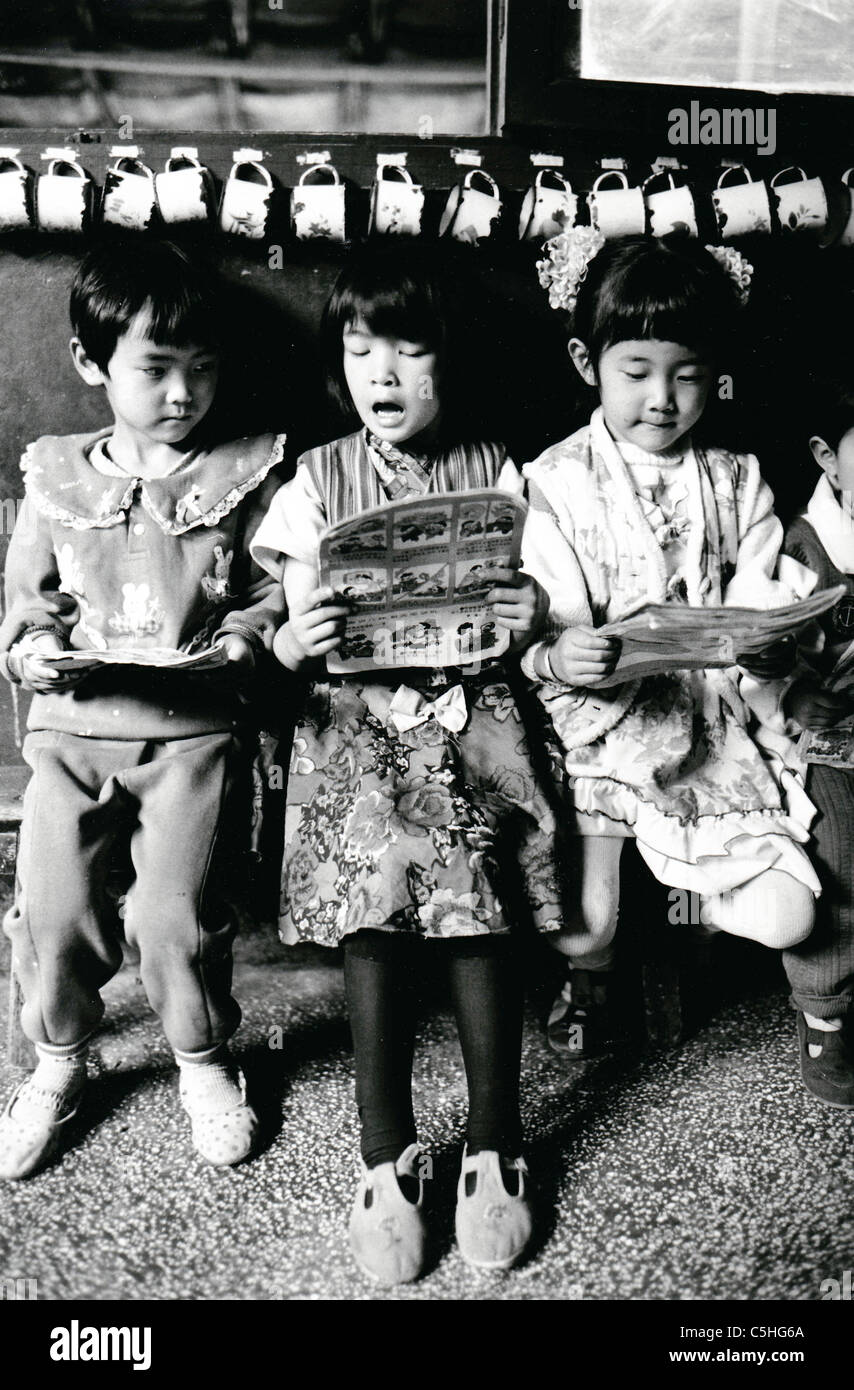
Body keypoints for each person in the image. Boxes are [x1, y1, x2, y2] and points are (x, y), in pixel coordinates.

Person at [251, 244, 563, 1283]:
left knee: (475, 886)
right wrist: (297, 642)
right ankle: (383, 1158)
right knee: (372, 888)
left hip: (469, 709)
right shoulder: (314, 478)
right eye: (358, 348)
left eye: (408, 348)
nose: (380, 373)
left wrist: (527, 614)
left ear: (450, 357)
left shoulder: (494, 467)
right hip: (355, 720)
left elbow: (528, 601)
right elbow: (291, 629)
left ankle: (493, 1142)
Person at [0, 240, 285, 1179]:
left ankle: (204, 1061)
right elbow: (25, 604)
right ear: (92, 365)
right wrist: (32, 649)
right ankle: (57, 1063)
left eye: (202, 369)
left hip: (192, 735)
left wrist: (248, 637)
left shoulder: (245, 471)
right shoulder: (54, 472)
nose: (183, 393)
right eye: (156, 370)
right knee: (54, 903)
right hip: (74, 733)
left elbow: (267, 592)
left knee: (173, 913)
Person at [522, 230, 819, 1060]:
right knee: (587, 927)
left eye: (687, 376)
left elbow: (760, 588)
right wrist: (561, 653)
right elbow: (541, 618)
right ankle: (595, 975)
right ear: (588, 363)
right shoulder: (555, 478)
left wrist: (766, 642)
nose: (663, 399)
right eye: (637, 372)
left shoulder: (736, 474)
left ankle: (695, 907)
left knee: (790, 913)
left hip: (711, 720)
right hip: (605, 723)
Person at [778, 369, 854, 1107]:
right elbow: (777, 658)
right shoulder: (807, 546)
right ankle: (825, 1014)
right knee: (840, 861)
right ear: (828, 458)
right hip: (832, 738)